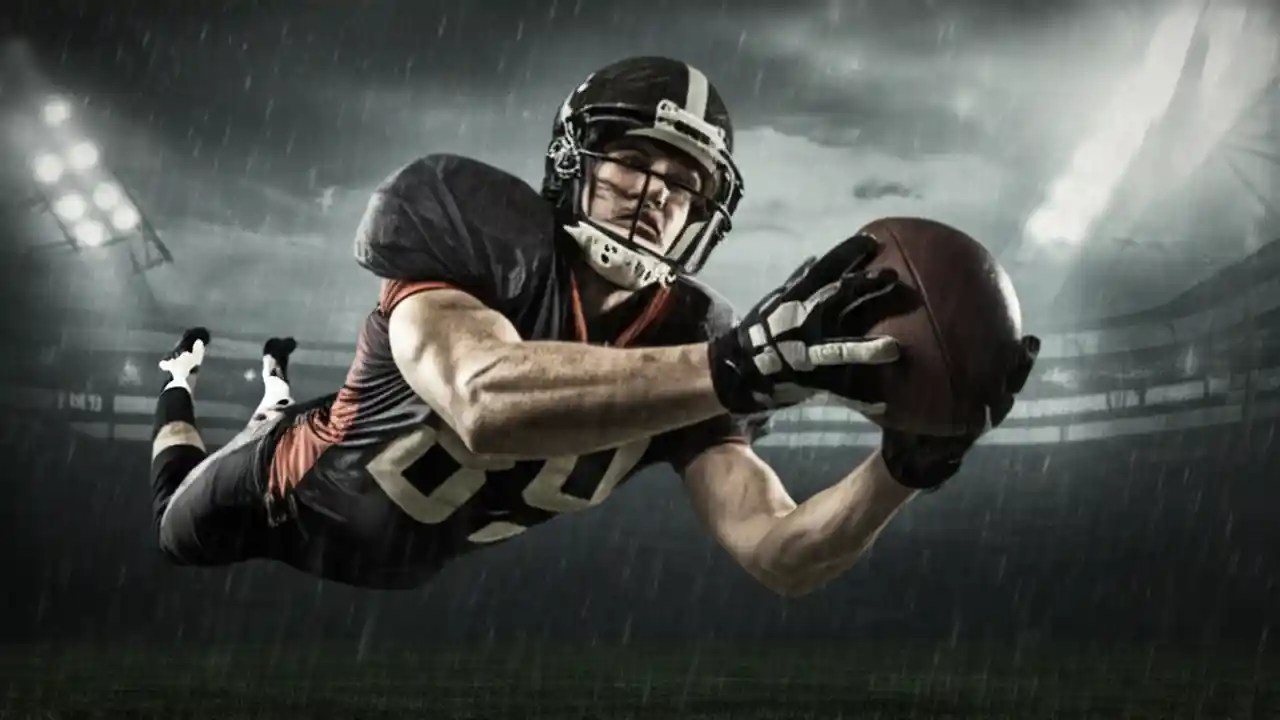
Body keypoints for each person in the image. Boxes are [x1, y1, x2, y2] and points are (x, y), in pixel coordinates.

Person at [149, 56, 1039, 594]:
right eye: (633, 162)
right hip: (285, 495)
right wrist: (733, 366)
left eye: (684, 182)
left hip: (400, 558)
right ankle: (187, 384)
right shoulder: (474, 222)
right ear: (574, 161)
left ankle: (260, 391)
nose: (656, 193)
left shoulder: (692, 331)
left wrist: (902, 472)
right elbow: (484, 398)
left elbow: (781, 554)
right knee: (172, 520)